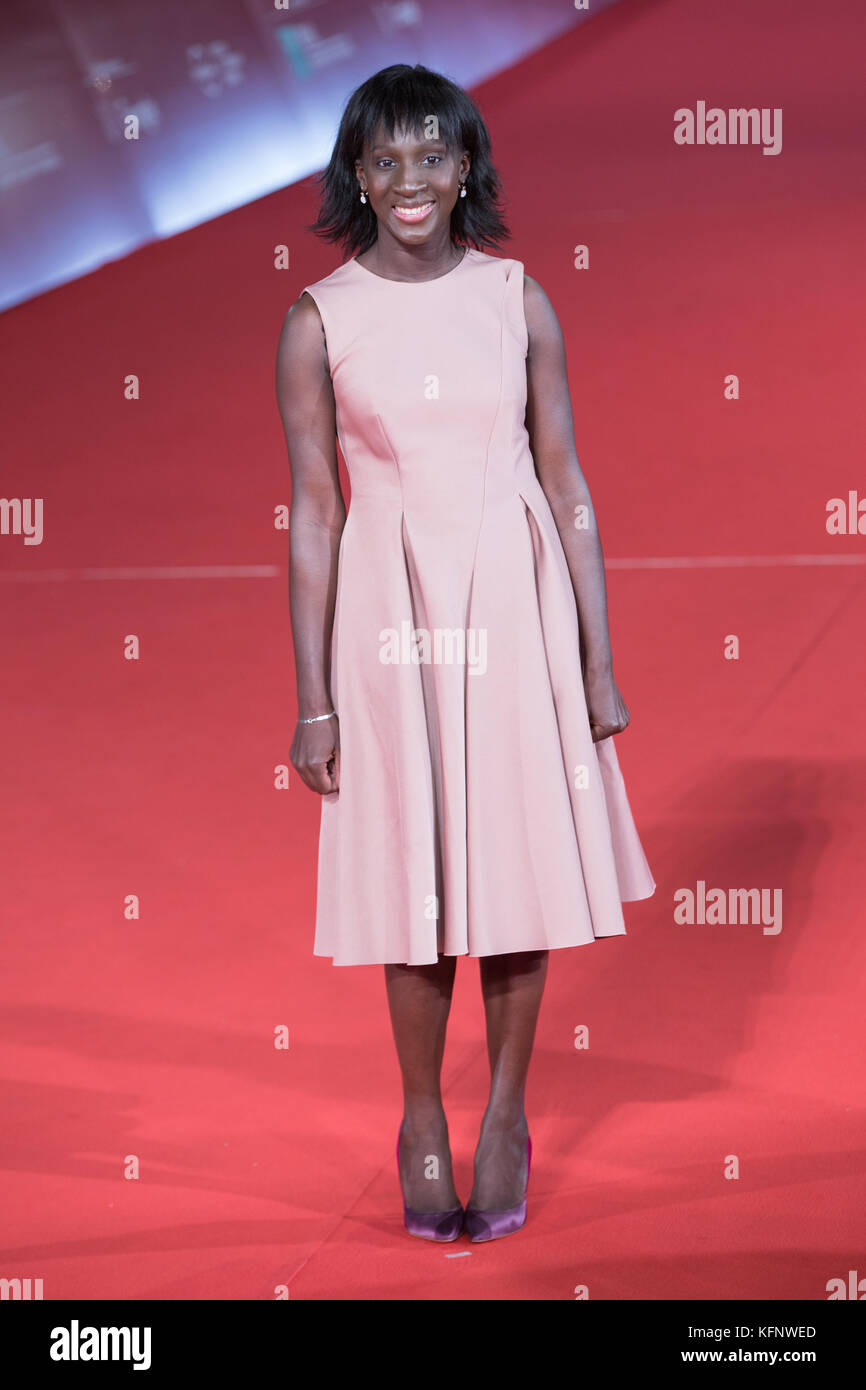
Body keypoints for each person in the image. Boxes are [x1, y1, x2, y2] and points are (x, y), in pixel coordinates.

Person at [275, 63, 655, 1243]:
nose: (408, 181)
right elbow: (314, 513)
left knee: (513, 866)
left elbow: (567, 481)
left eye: (431, 157)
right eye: (384, 159)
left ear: (465, 166)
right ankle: (416, 1114)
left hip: (513, 603)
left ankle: (503, 1111)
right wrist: (313, 701)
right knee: (414, 873)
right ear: (355, 173)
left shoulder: (518, 300)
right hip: (390, 612)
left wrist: (594, 659)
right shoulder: (314, 321)